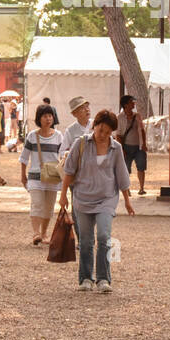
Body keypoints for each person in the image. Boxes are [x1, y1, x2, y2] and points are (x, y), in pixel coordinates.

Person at [58, 109, 134, 292]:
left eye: (108, 133)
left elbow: (122, 175)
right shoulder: (80, 144)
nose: (103, 135)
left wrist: (127, 200)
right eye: (101, 130)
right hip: (82, 198)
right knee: (85, 240)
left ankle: (103, 279)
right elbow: (68, 171)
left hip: (106, 199)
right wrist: (62, 196)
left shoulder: (116, 148)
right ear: (95, 126)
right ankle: (85, 278)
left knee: (104, 237)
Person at [20, 103, 64, 245]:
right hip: (35, 177)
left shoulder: (58, 136)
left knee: (49, 207)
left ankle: (45, 233)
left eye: (50, 116)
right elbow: (24, 157)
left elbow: (62, 156)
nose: (48, 119)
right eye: (45, 116)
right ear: (39, 118)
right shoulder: (32, 136)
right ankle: (36, 233)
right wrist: (22, 175)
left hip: (52, 177)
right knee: (37, 204)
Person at [115, 94, 148, 196]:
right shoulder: (119, 118)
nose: (133, 103)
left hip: (139, 146)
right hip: (126, 147)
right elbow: (118, 135)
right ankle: (127, 189)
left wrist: (144, 144)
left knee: (141, 167)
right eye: (131, 102)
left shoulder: (137, 116)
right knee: (126, 169)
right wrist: (122, 149)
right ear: (125, 105)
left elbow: (142, 130)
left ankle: (141, 188)